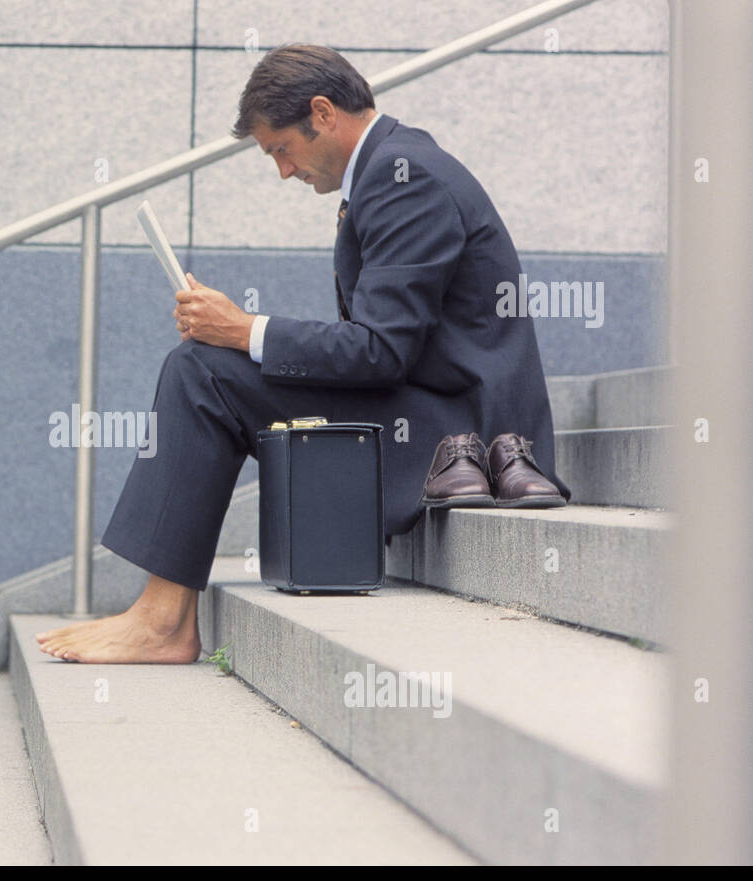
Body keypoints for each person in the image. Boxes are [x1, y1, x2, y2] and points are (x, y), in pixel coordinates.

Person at [36, 43, 569, 664]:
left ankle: (162, 620)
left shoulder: (406, 178)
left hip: (458, 440)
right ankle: (161, 615)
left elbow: (381, 351)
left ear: (323, 112)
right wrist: (241, 334)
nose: (284, 172)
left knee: (204, 370)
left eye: (281, 149)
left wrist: (245, 330)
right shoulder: (392, 168)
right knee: (205, 367)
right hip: (427, 408)